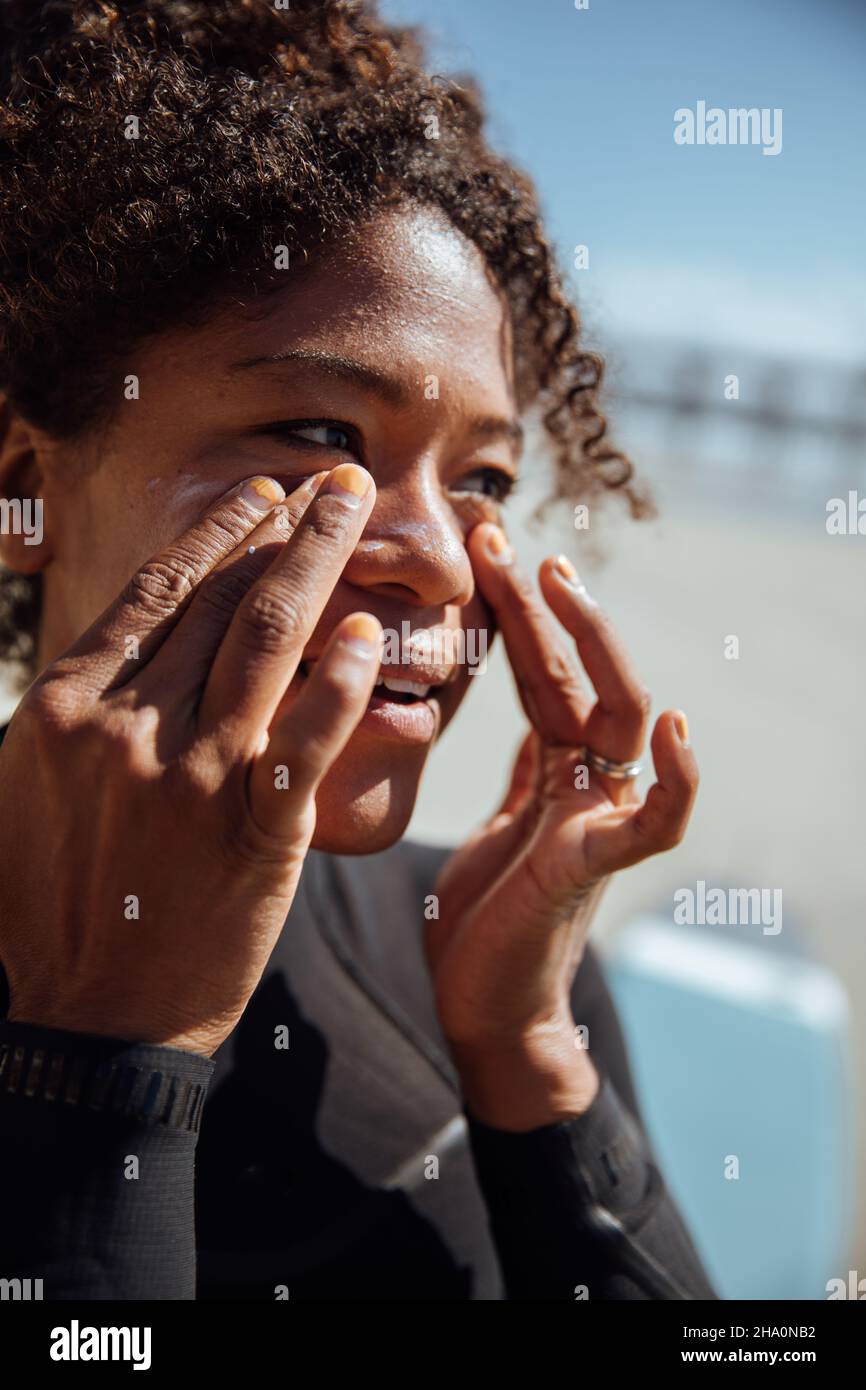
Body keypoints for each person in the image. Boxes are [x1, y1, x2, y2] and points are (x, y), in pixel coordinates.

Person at [0, 0, 716, 1300]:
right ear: (24, 489)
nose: (442, 559)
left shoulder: (483, 948)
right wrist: (105, 1051)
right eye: (323, 438)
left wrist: (528, 1062)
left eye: (485, 475)